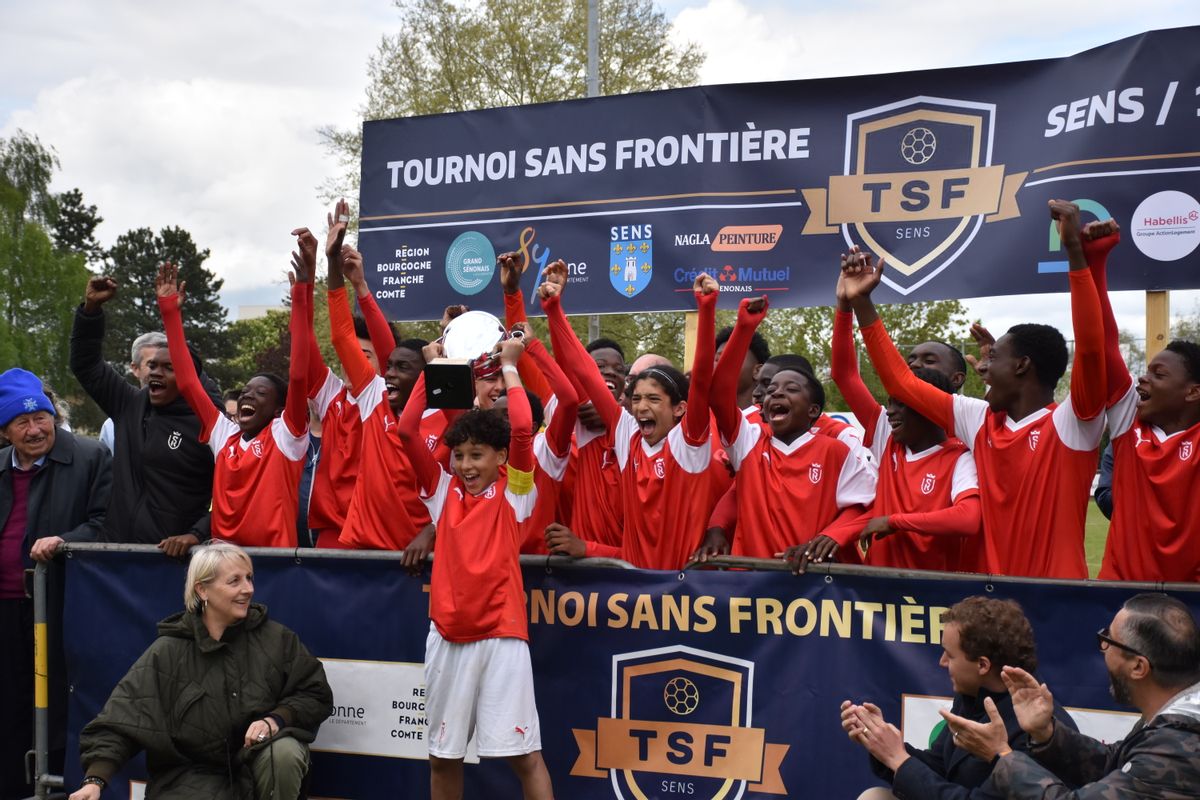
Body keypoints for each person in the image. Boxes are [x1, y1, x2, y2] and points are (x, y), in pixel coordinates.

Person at [845, 201, 1108, 579]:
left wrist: (1076, 256)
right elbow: (900, 382)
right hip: (986, 603)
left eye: (994, 356)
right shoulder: (980, 419)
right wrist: (862, 303)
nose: (983, 364)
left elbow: (1093, 349)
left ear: (1022, 365)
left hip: (1055, 600)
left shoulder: (1072, 424)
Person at [397, 336, 554, 800]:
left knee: (525, 757)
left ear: (501, 458)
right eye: (459, 455)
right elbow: (407, 430)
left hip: (502, 636)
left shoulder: (515, 491)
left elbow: (522, 427)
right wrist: (434, 368)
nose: (465, 465)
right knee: (442, 759)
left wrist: (509, 366)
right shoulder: (442, 493)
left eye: (477, 455)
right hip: (447, 636)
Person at [68, 542, 333, 800]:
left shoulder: (277, 639)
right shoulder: (167, 651)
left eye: (250, 578)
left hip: (255, 767)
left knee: (284, 753)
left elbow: (314, 693)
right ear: (202, 590)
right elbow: (119, 722)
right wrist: (95, 781)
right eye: (234, 581)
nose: (248, 589)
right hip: (189, 779)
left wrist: (276, 720)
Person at [544, 268, 732, 570]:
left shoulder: (689, 444)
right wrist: (554, 309)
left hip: (680, 593)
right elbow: (584, 370)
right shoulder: (629, 436)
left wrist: (707, 309)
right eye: (637, 398)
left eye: (654, 399)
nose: (642, 406)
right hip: (634, 592)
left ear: (680, 409)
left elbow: (701, 381)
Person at [946, 593, 1200, 799]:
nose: (1104, 650)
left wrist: (1001, 756)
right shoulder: (1172, 719)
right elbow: (1114, 763)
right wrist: (1048, 734)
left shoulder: (1176, 749)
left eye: (1108, 641)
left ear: (1138, 667)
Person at [832, 252, 983, 572]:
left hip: (935, 592)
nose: (911, 367)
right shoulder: (890, 430)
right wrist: (845, 306)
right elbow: (845, 376)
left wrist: (895, 521)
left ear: (956, 379)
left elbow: (969, 518)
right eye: (910, 360)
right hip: (880, 593)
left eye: (927, 362)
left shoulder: (968, 441)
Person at [841, 597, 1076, 800]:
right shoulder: (974, 697)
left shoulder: (1038, 730)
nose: (942, 662)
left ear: (982, 665)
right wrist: (880, 744)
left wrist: (899, 759)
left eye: (950, 655)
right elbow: (940, 768)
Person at [0, 368, 111, 800]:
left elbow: (107, 524)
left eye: (41, 418)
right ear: (6, 431)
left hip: (60, 605)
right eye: (22, 423)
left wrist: (65, 542)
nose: (35, 430)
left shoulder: (90, 456)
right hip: (5, 609)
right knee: (8, 706)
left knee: (55, 705)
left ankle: (58, 789)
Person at [704, 295, 876, 571]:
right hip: (750, 585)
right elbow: (720, 392)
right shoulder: (750, 442)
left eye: (791, 389)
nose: (777, 393)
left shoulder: (835, 449)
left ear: (813, 410)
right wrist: (744, 328)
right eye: (771, 390)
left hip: (810, 590)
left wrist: (834, 534)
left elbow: (865, 505)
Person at [158, 251, 311, 548]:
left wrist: (301, 297)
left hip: (273, 564)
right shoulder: (225, 435)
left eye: (261, 393)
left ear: (280, 409)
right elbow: (189, 382)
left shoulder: (286, 435)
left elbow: (298, 376)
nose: (248, 396)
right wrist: (170, 312)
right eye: (245, 391)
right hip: (224, 563)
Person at [1083, 222, 1200, 581]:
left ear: (1192, 392)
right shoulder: (1126, 424)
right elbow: (1103, 343)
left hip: (1189, 611)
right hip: (1121, 606)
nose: (1142, 378)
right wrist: (1094, 262)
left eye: (1159, 374)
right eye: (1146, 370)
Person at [70, 276, 217, 555]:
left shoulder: (210, 424)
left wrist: (196, 534)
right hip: (118, 551)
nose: (155, 372)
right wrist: (90, 310)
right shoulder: (129, 404)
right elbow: (86, 365)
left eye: (168, 368)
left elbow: (231, 495)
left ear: (188, 378)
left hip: (172, 558)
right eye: (152, 365)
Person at [96, 331, 169, 453]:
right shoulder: (111, 427)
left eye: (167, 365)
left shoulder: (190, 419)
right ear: (135, 368)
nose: (159, 372)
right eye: (152, 365)